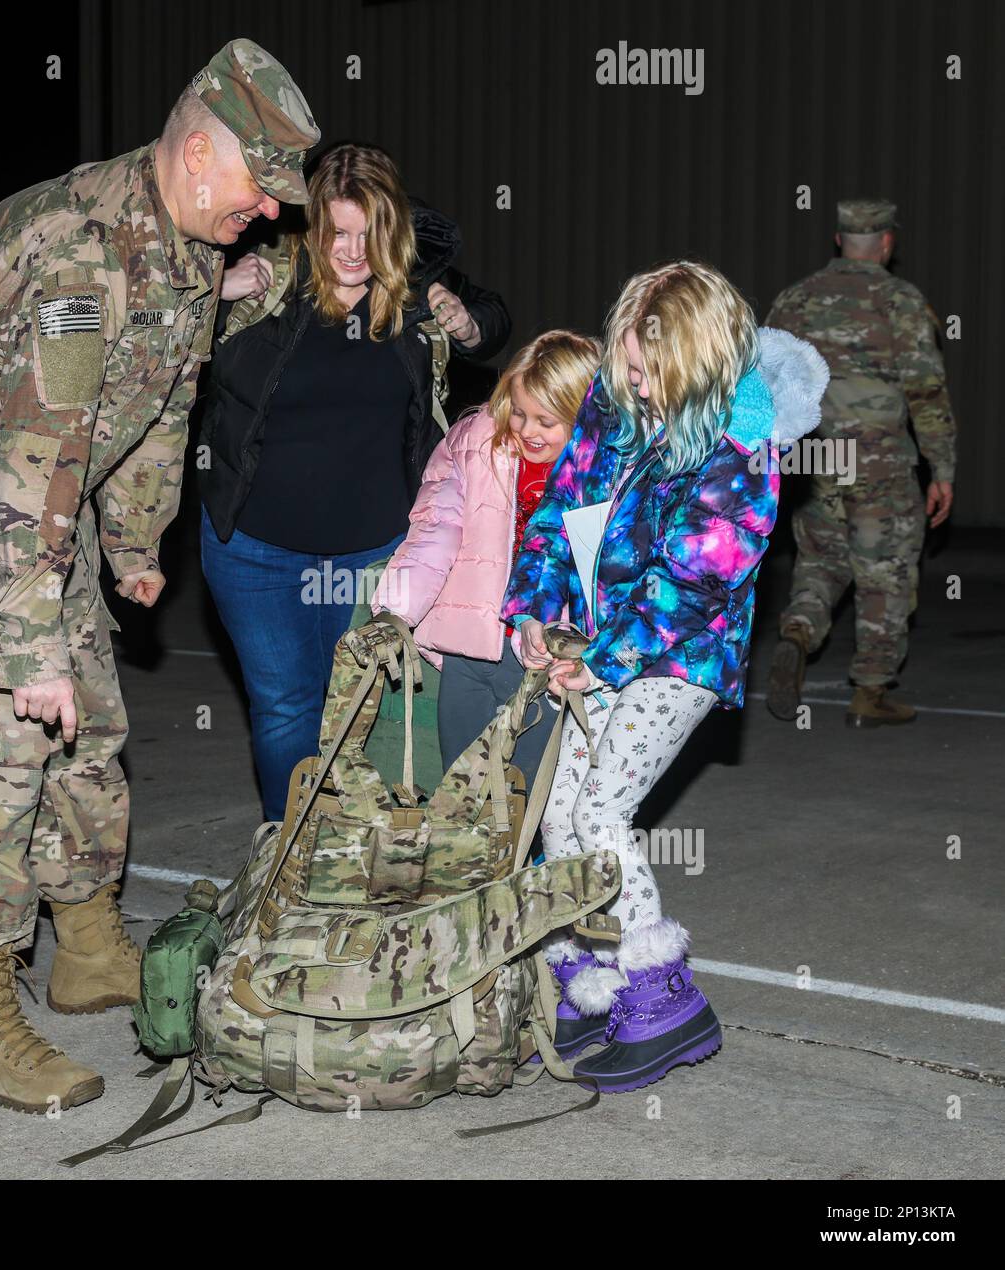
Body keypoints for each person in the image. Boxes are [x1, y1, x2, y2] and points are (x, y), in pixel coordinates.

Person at [0, 39, 319, 1113]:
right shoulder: (80, 255)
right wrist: (31, 639)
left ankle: (88, 945)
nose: (270, 215)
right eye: (259, 189)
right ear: (197, 152)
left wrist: (136, 545)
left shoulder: (185, 240)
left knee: (86, 716)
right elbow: (38, 454)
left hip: (28, 490)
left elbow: (154, 399)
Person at [501, 261, 828, 1092]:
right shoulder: (616, 403)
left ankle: (664, 999)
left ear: (698, 362)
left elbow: (693, 583)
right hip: (602, 640)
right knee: (561, 814)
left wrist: (597, 659)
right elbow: (555, 515)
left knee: (605, 805)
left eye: (652, 374)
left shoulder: (742, 448)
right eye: (629, 368)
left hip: (682, 655)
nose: (634, 387)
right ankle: (587, 981)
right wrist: (534, 616)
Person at [199, 142, 511, 824]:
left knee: (364, 711)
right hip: (255, 549)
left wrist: (470, 320)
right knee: (286, 708)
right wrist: (209, 295)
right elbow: (150, 327)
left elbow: (492, 320)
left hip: (376, 557)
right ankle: (291, 851)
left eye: (368, 234)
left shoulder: (415, 294)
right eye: (336, 232)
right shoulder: (266, 283)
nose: (350, 251)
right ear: (311, 227)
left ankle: (354, 852)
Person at [370, 331, 601, 792]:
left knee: (528, 796)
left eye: (546, 421)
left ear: (584, 416)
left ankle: (526, 866)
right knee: (462, 792)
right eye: (518, 412)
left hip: (543, 660)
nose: (527, 431)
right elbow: (435, 528)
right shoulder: (476, 442)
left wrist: (584, 644)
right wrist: (396, 611)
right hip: (468, 648)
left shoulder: (603, 471)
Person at [764, 198, 957, 727]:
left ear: (838, 240)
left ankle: (799, 631)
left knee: (822, 558)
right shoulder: (901, 300)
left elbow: (766, 380)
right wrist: (942, 468)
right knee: (885, 569)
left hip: (815, 452)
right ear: (887, 243)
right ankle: (870, 692)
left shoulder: (795, 298)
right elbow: (926, 389)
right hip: (879, 459)